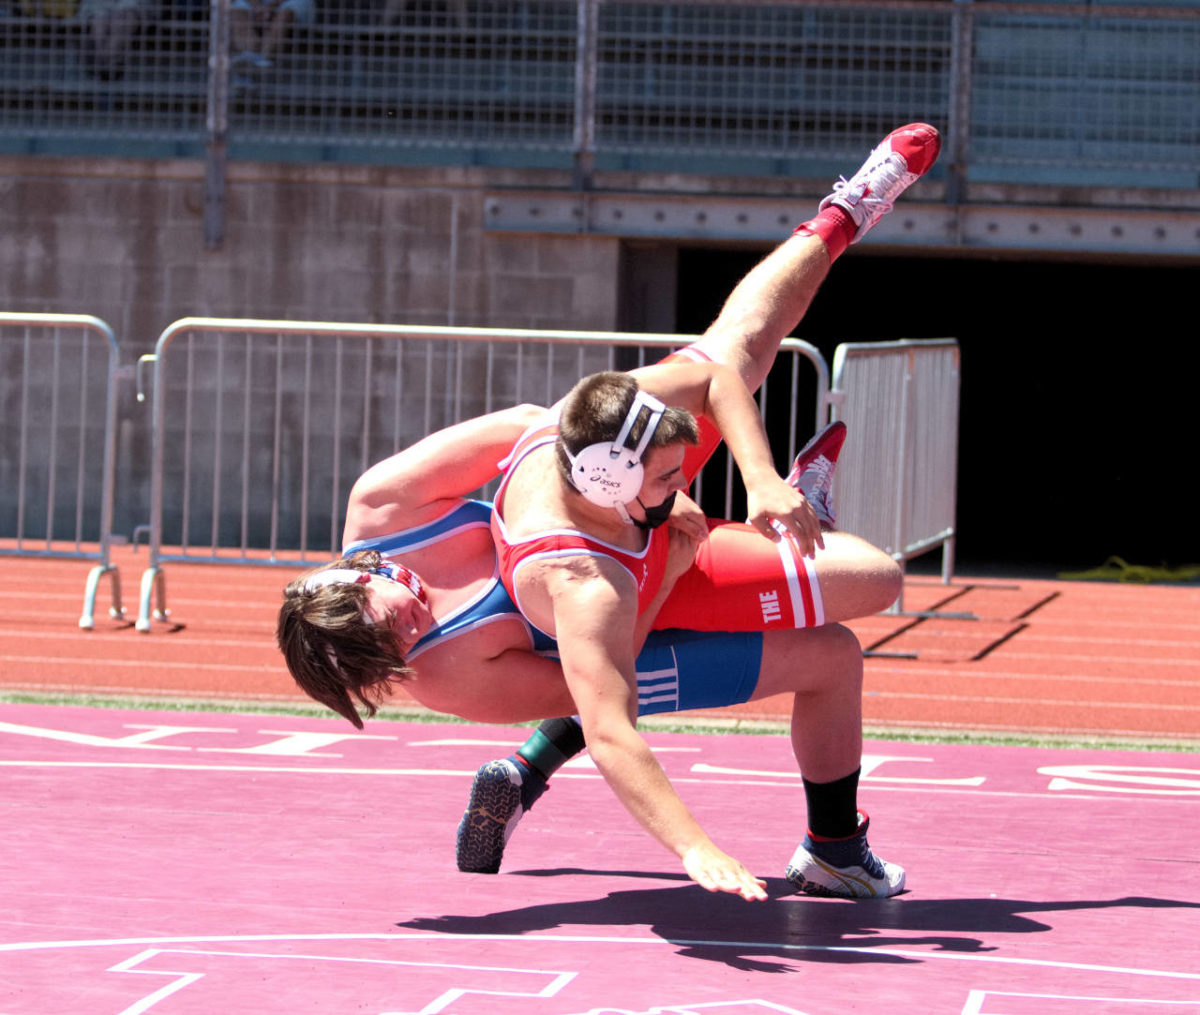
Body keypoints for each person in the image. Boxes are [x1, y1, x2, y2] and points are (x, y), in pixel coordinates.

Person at [277, 123, 941, 900]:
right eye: (399, 652)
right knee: (855, 614)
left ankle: (845, 210)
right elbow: (606, 701)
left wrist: (679, 490)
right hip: (622, 606)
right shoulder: (447, 670)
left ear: (357, 582)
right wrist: (694, 847)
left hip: (598, 501)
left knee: (741, 347)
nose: (413, 629)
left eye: (394, 622)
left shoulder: (386, 502)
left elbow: (533, 423)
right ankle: (829, 848)